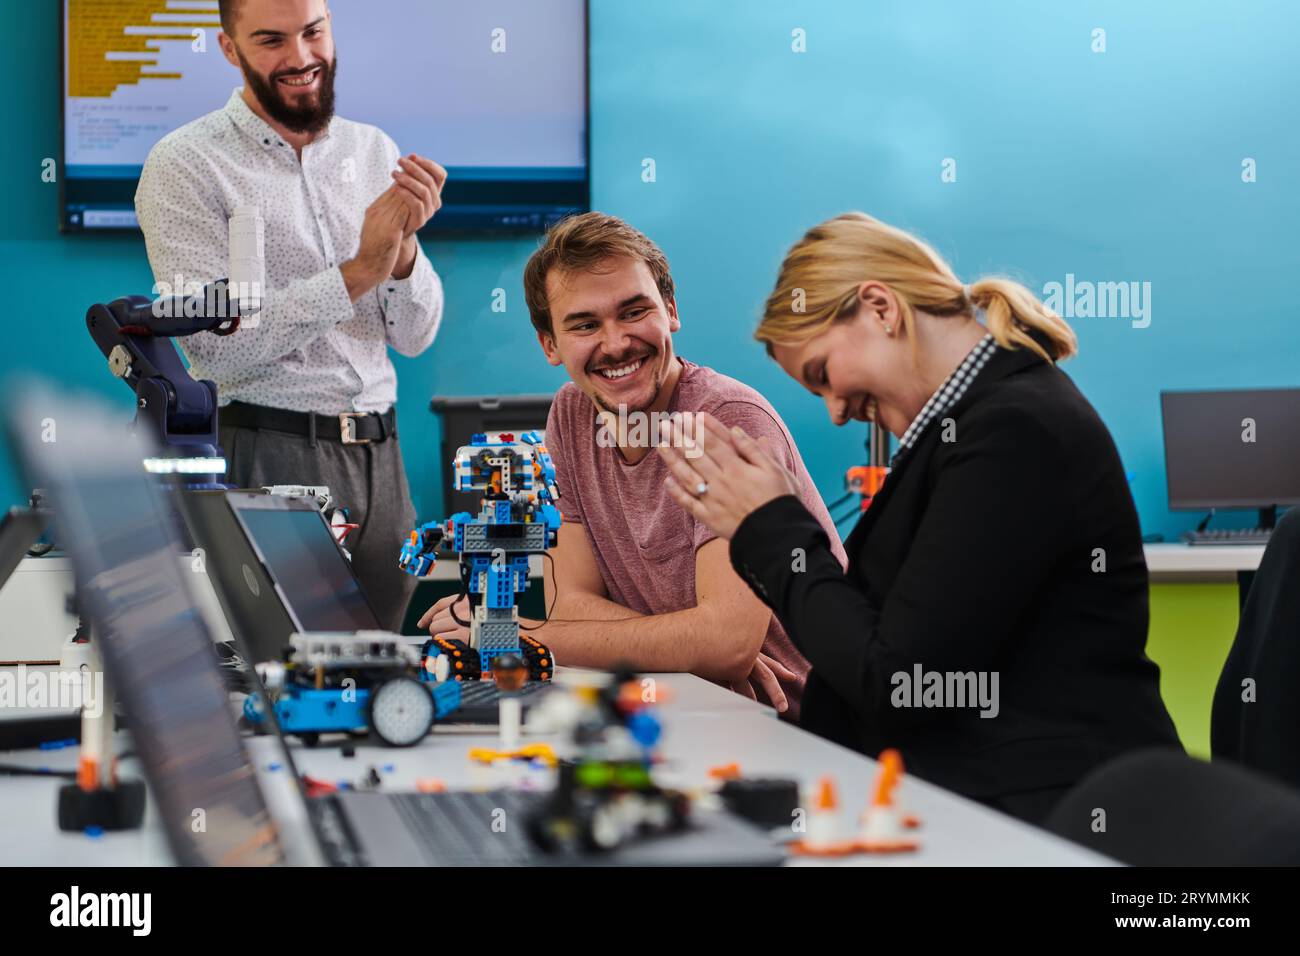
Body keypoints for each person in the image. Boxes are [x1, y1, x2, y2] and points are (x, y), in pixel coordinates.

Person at [656, 212, 1181, 822]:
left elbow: (901, 682)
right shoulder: (971, 427)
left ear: (880, 307)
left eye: (823, 375)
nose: (834, 411)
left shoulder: (1012, 430)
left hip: (1049, 815)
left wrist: (773, 527)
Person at [419, 213, 845, 717]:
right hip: (688, 703)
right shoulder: (572, 414)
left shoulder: (724, 421)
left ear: (670, 311)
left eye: (633, 312)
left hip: (797, 723)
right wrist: (692, 650)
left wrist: (505, 634)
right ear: (550, 344)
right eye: (584, 324)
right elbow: (569, 604)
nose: (616, 342)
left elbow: (725, 645)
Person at [136, 0, 447, 630]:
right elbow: (214, 349)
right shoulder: (185, 165)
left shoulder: (372, 149)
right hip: (268, 456)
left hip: (383, 465)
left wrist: (404, 251)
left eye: (313, 32)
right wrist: (358, 271)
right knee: (280, 681)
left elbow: (414, 336)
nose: (301, 58)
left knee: (379, 678)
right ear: (230, 48)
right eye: (272, 40)